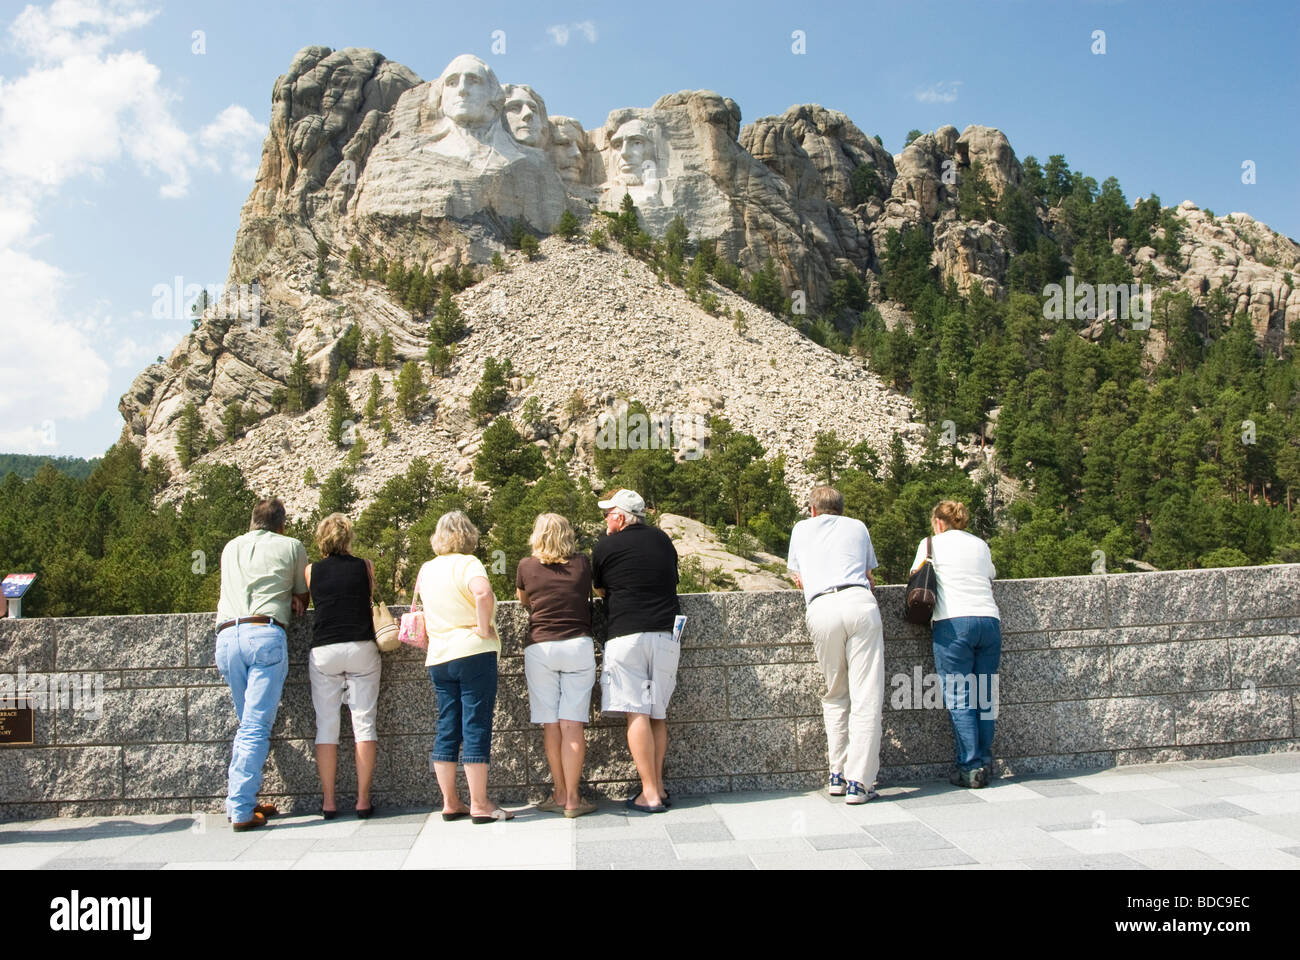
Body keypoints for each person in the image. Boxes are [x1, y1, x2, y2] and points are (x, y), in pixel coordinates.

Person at [214, 498, 309, 831]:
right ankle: (240, 807)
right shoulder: (292, 546)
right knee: (254, 727)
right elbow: (303, 593)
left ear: (252, 521)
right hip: (264, 633)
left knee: (247, 724)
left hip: (226, 636)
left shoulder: (230, 547)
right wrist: (295, 598)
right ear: (281, 525)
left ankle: (247, 799)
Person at [786, 485, 883, 804]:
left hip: (821, 607)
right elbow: (869, 574)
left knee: (835, 693)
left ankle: (837, 774)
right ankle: (860, 781)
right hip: (858, 601)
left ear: (812, 510)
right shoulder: (857, 527)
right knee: (866, 695)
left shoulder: (801, 529)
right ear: (841, 509)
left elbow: (797, 576)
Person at [417, 511, 513, 823]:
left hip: (439, 655)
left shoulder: (427, 569)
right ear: (468, 534)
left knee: (447, 726)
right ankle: (480, 804)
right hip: (472, 653)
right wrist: (484, 629)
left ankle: (450, 801)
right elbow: (483, 593)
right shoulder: (468, 563)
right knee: (476, 724)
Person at [592, 489, 680, 814]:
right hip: (666, 634)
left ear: (619, 517)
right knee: (658, 713)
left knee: (636, 713)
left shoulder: (605, 546)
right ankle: (657, 786)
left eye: (608, 513)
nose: (605, 519)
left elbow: (599, 588)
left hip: (626, 635)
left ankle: (650, 794)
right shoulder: (664, 541)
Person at [910, 500, 1002, 789]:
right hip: (989, 621)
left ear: (938, 522)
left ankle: (971, 766)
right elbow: (991, 575)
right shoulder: (980, 544)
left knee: (960, 696)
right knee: (986, 694)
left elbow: (914, 576)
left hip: (953, 623)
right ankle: (985, 761)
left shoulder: (931, 544)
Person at [515, 513, 597, 818]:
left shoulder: (526, 566)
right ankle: (574, 800)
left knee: (551, 724)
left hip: (540, 646)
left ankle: (559, 792)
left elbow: (523, 600)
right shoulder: (582, 564)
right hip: (578, 644)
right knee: (572, 724)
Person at [305, 513, 381, 819]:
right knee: (364, 723)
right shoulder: (365, 566)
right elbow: (369, 595)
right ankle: (363, 800)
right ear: (348, 538)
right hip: (361, 645)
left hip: (325, 648)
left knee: (327, 726)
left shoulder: (312, 570)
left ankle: (329, 801)